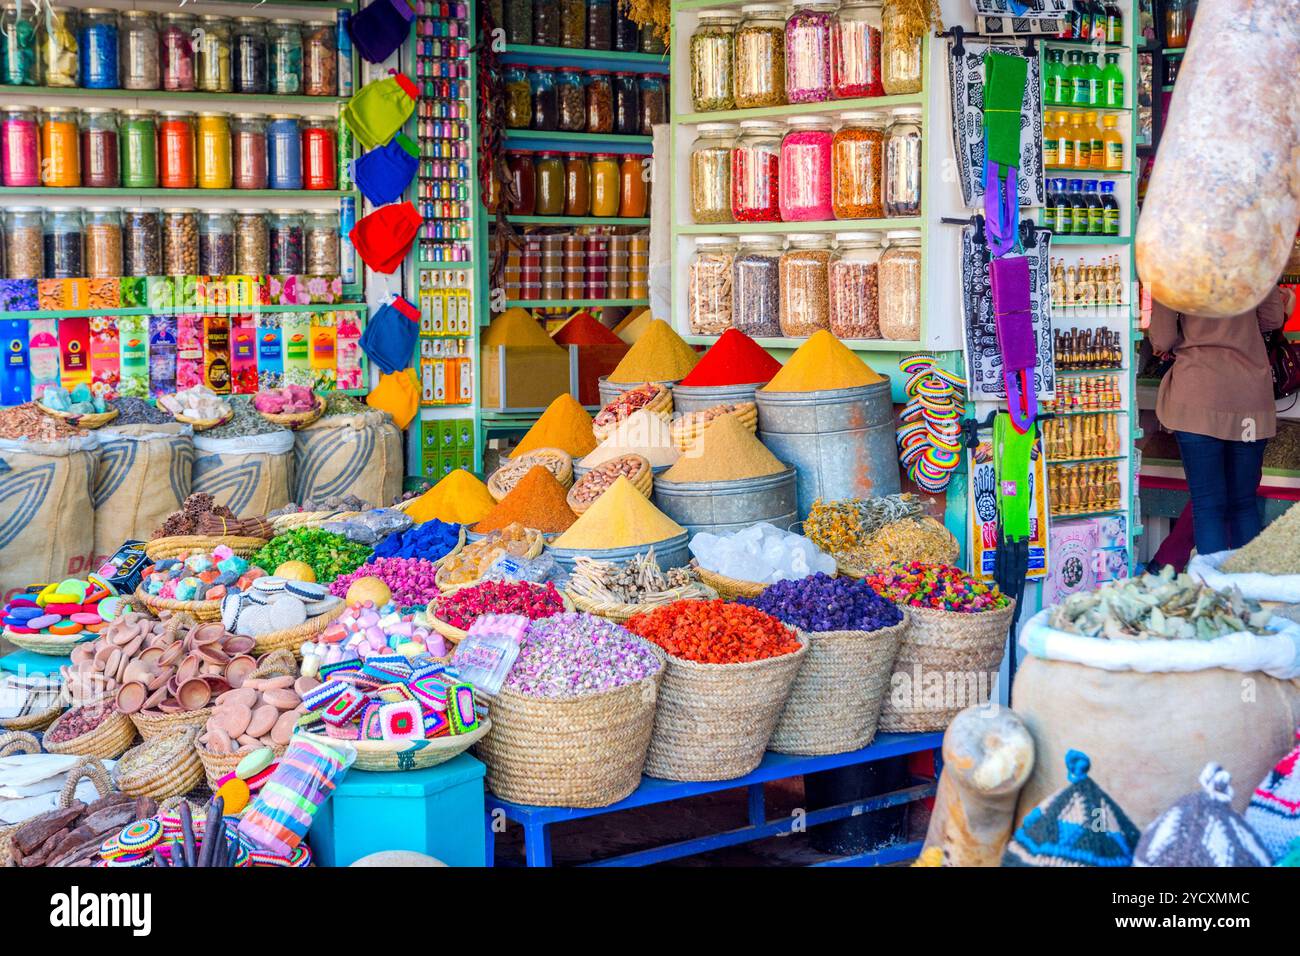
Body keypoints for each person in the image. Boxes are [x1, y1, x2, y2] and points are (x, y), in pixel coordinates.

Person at [1148, 285, 1296, 555]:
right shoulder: (1254, 260)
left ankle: (1214, 590)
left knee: (1208, 505)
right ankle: (1248, 588)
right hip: (1248, 397)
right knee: (1243, 502)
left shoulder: (1174, 269)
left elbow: (1163, 339)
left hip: (1197, 396)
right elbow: (1273, 319)